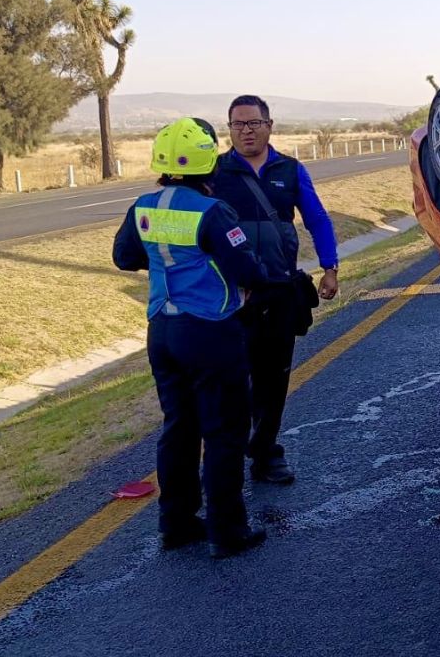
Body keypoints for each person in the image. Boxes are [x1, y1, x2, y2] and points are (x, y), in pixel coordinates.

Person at [113, 117, 273, 558]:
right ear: (209, 164)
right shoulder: (211, 210)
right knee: (223, 431)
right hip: (209, 329)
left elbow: (124, 256)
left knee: (179, 428)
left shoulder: (143, 206)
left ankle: (177, 523)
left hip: (161, 330)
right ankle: (228, 531)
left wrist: (167, 262)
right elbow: (247, 269)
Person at [209, 94, 339, 484]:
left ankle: (265, 454)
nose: (246, 131)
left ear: (269, 125)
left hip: (280, 291)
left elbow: (317, 219)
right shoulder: (214, 173)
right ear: (229, 129)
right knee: (232, 379)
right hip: (232, 296)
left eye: (254, 123)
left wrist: (330, 267)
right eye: (238, 124)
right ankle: (228, 459)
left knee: (274, 379)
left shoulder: (291, 170)